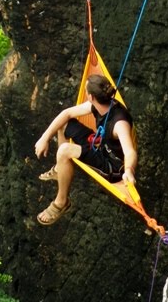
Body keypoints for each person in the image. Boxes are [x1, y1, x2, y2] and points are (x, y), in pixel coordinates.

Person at [33, 74, 137, 226]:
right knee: (63, 123)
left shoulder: (119, 123)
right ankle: (60, 168)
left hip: (112, 166)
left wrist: (129, 170)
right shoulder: (99, 104)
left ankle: (61, 202)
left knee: (64, 150)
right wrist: (45, 138)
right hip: (99, 144)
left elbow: (129, 151)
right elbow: (66, 113)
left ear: (90, 96)